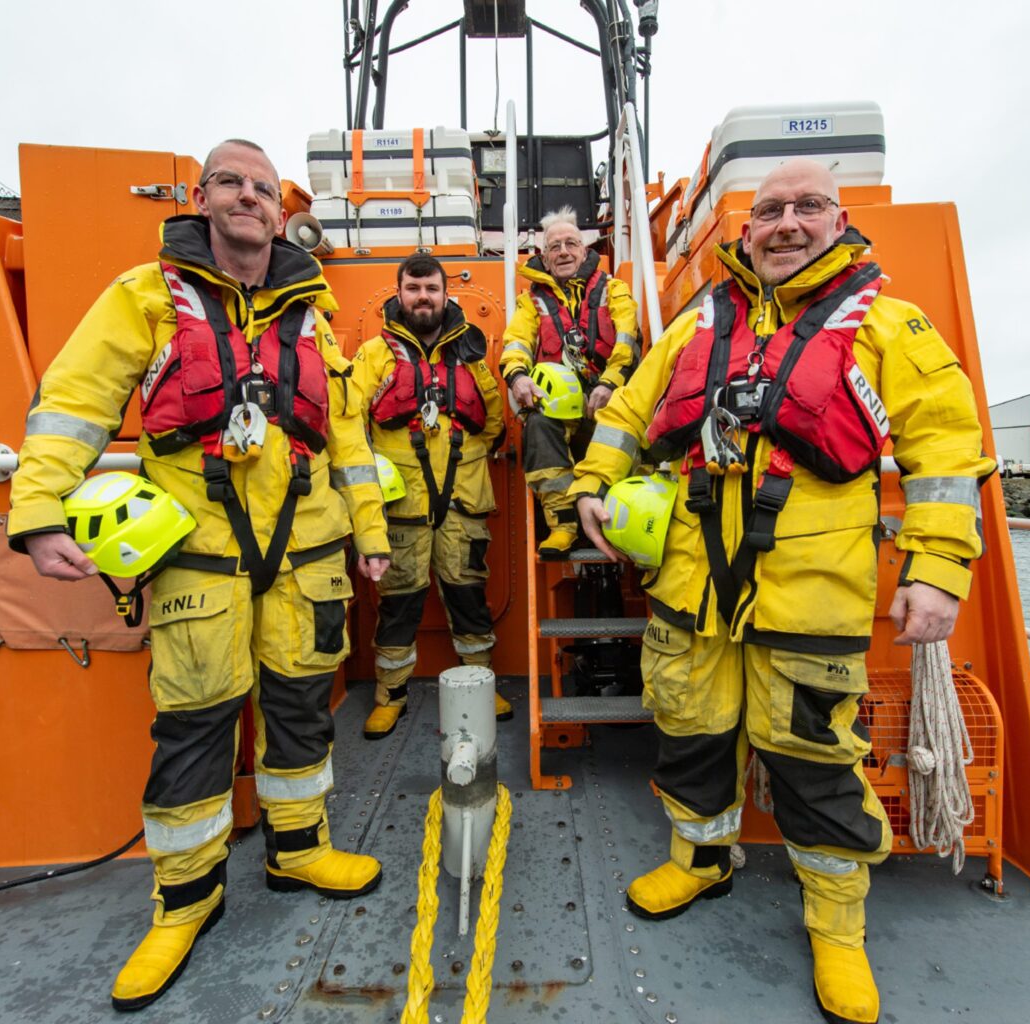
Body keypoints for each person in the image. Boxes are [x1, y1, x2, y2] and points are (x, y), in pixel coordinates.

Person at [569, 159, 994, 1024]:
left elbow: (947, 452)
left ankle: (836, 928)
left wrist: (939, 571)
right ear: (747, 228)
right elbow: (627, 411)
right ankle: (700, 862)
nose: (786, 223)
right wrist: (591, 482)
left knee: (812, 762)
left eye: (807, 207)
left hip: (810, 592)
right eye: (769, 211)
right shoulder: (698, 325)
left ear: (839, 221)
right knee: (688, 732)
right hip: (693, 582)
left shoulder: (888, 324)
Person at [6, 139, 391, 1012]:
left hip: (305, 558)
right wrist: (36, 512)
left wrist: (368, 533)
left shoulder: (316, 321)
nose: (248, 197)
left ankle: (298, 847)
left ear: (279, 211)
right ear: (202, 196)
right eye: (231, 182)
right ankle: (185, 900)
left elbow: (350, 443)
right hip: (201, 553)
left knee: (301, 704)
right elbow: (73, 403)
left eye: (262, 186)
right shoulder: (142, 298)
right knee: (195, 725)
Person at [348, 254, 512, 738]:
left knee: (469, 597)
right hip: (401, 507)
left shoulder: (471, 355)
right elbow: (351, 422)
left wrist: (465, 461)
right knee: (397, 604)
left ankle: (480, 686)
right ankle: (389, 696)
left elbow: (496, 422)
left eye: (431, 289)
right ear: (399, 294)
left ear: (445, 295)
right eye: (413, 288)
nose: (423, 297)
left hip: (462, 500)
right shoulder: (376, 355)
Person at [499, 206, 641, 557]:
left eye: (570, 244)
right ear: (544, 259)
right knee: (538, 427)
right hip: (559, 401)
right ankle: (563, 525)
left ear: (584, 250)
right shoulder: (531, 301)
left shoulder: (614, 290)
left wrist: (609, 383)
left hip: (609, 392)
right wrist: (517, 377)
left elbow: (628, 338)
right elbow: (515, 343)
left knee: (630, 428)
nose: (563, 252)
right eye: (554, 247)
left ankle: (615, 520)